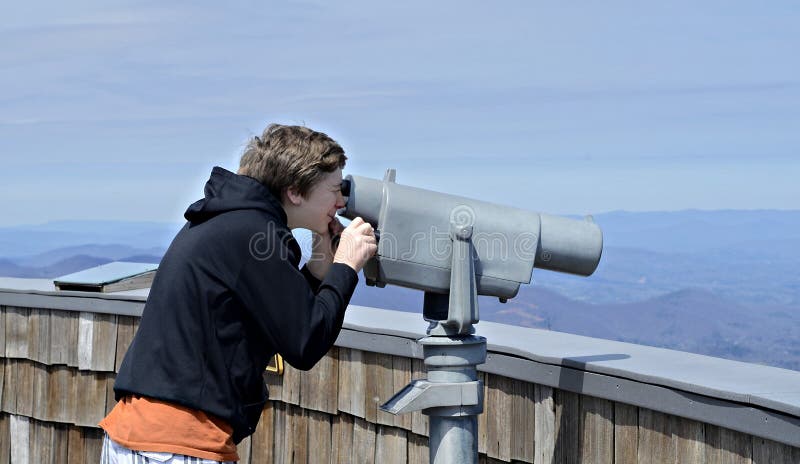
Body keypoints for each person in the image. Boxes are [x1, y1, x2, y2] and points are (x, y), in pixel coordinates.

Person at [99, 124, 377, 463]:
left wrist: (321, 267)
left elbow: (279, 316)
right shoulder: (255, 234)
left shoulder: (229, 221)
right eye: (335, 189)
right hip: (179, 445)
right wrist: (346, 266)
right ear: (295, 191)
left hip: (136, 435)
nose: (341, 202)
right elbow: (306, 341)